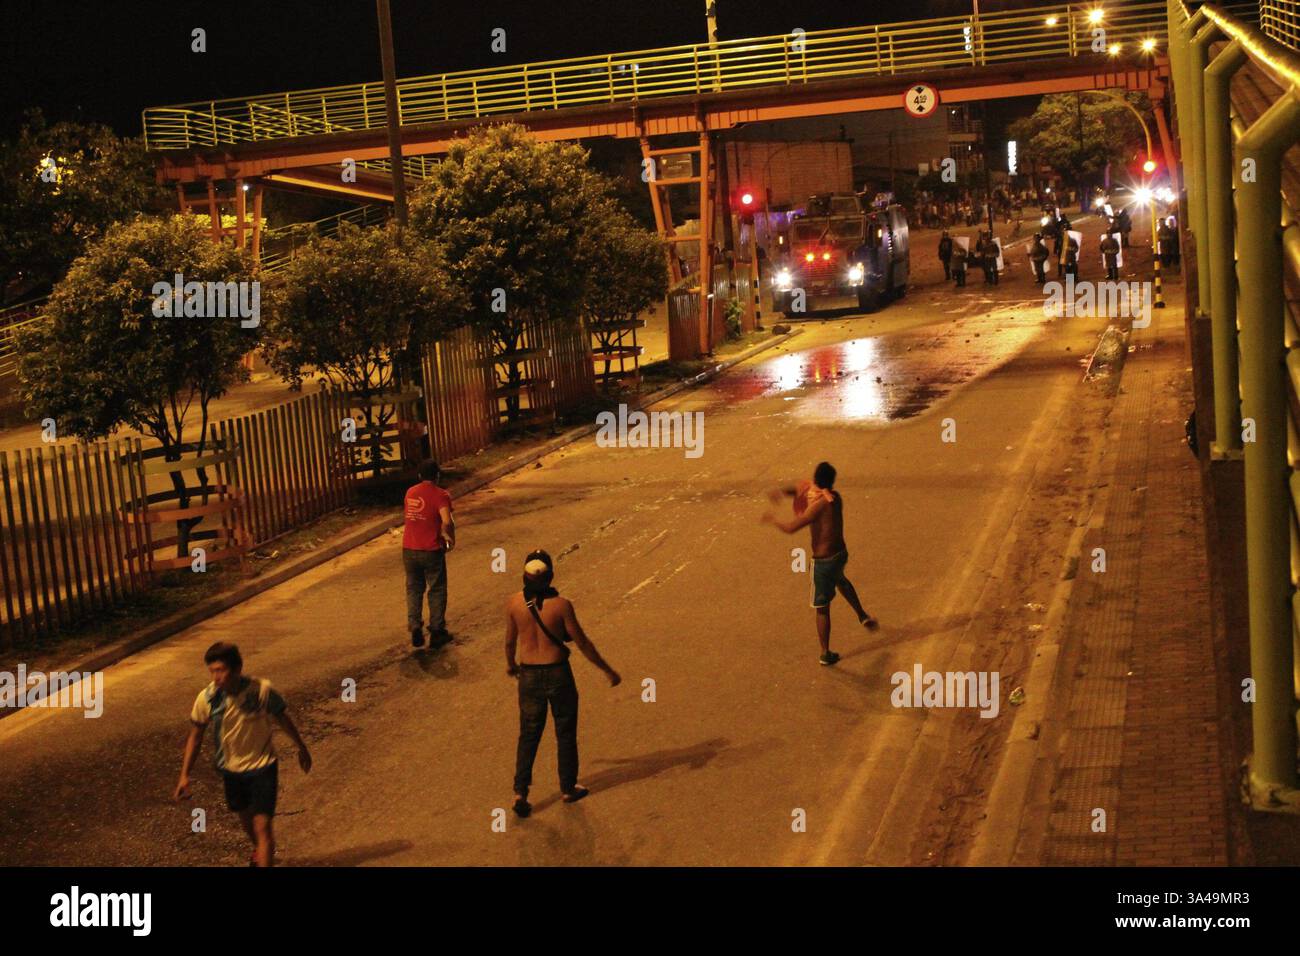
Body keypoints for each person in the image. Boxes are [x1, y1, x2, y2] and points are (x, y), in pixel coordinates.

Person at [505, 550, 620, 818]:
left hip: (529, 675)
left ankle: (520, 791)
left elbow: (509, 642)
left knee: (529, 734)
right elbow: (582, 642)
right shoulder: (562, 605)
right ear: (550, 576)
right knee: (565, 731)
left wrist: (511, 664)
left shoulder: (512, 604)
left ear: (524, 575)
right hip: (558, 673)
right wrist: (607, 670)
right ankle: (568, 787)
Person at [175, 642, 311, 867]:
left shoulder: (261, 691)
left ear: (237, 668)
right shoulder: (207, 698)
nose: (217, 677)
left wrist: (301, 747)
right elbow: (195, 736)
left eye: (221, 670)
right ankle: (261, 850)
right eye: (213, 671)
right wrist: (184, 775)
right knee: (248, 825)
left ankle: (265, 851)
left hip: (263, 766)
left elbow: (282, 718)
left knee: (263, 827)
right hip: (232, 770)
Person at [762, 462, 878, 666]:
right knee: (841, 579)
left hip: (823, 562)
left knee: (822, 608)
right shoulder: (836, 498)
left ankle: (825, 653)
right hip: (840, 555)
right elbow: (804, 488)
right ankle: (862, 615)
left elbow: (790, 528)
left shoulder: (816, 507)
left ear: (815, 479)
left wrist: (773, 520)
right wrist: (783, 492)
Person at [403, 459, 455, 648]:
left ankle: (415, 625)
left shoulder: (410, 492)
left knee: (414, 588)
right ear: (437, 475)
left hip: (409, 548)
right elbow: (447, 521)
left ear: (419, 476)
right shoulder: (441, 495)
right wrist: (448, 536)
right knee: (437, 589)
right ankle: (437, 630)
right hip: (431, 549)